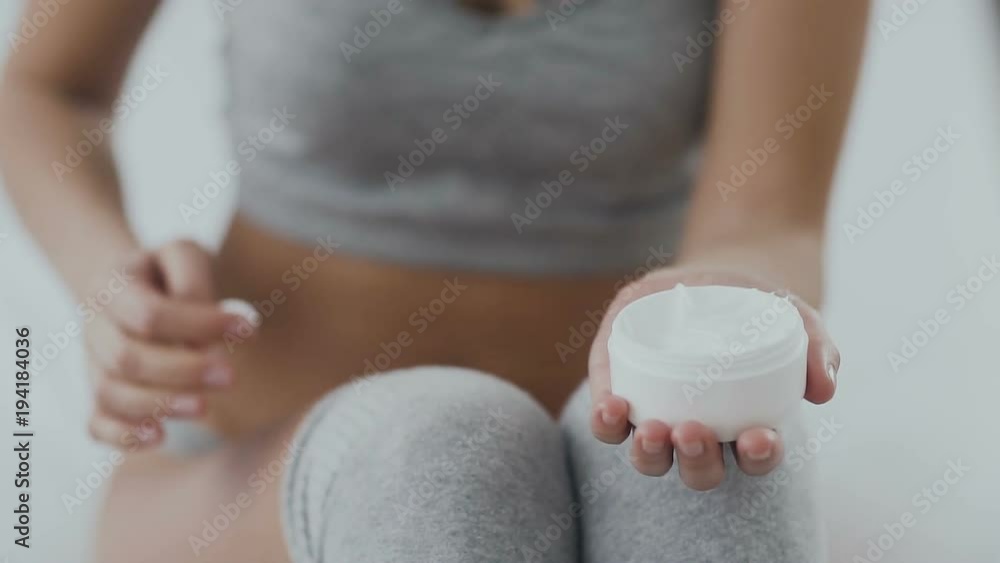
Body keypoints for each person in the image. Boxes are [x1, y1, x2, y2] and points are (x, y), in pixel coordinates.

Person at [0, 0, 869, 561]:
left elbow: (771, 218)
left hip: (611, 461)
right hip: (250, 483)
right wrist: (110, 279)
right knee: (444, 446)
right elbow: (43, 87)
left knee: (713, 460)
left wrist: (733, 303)